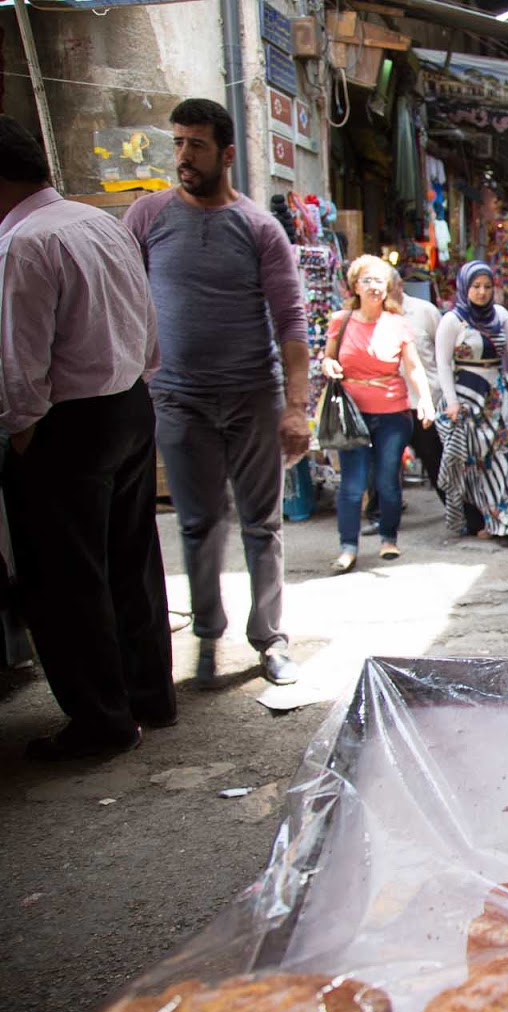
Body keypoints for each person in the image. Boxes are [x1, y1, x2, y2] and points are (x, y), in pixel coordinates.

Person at [0, 117, 177, 759]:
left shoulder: (23, 243)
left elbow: (20, 359)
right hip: (128, 406)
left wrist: (22, 428)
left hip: (68, 422)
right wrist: (140, 379)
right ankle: (150, 696)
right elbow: (147, 319)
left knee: (68, 578)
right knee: (130, 561)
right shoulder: (97, 221)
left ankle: (103, 721)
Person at [123, 98, 310, 687]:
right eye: (177, 142)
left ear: (226, 153)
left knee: (262, 524)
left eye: (196, 144)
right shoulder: (147, 218)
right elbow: (121, 300)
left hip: (253, 395)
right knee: (198, 522)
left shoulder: (258, 227)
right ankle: (207, 635)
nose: (183, 155)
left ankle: (270, 638)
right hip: (177, 398)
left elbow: (291, 322)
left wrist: (297, 407)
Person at [322, 256, 436, 571]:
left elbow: (413, 367)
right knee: (353, 483)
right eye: (367, 280)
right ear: (355, 286)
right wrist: (329, 365)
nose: (374, 287)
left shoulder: (398, 324)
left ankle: (388, 537)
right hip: (352, 414)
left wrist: (425, 399)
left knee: (387, 480)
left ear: (388, 288)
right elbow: (328, 358)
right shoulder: (341, 320)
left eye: (379, 281)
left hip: (392, 412)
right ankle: (348, 546)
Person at [434, 260, 508, 539]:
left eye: (487, 286)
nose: (481, 292)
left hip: (498, 395)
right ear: (464, 287)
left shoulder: (501, 314)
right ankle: (488, 521)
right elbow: (443, 364)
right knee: (477, 463)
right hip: (468, 396)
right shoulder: (452, 320)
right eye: (475, 286)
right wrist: (452, 402)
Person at [391, 270, 444, 504]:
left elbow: (444, 353)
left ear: (400, 285)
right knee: (386, 463)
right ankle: (380, 513)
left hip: (425, 400)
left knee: (434, 459)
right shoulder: (377, 316)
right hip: (390, 403)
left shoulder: (425, 312)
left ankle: (459, 511)